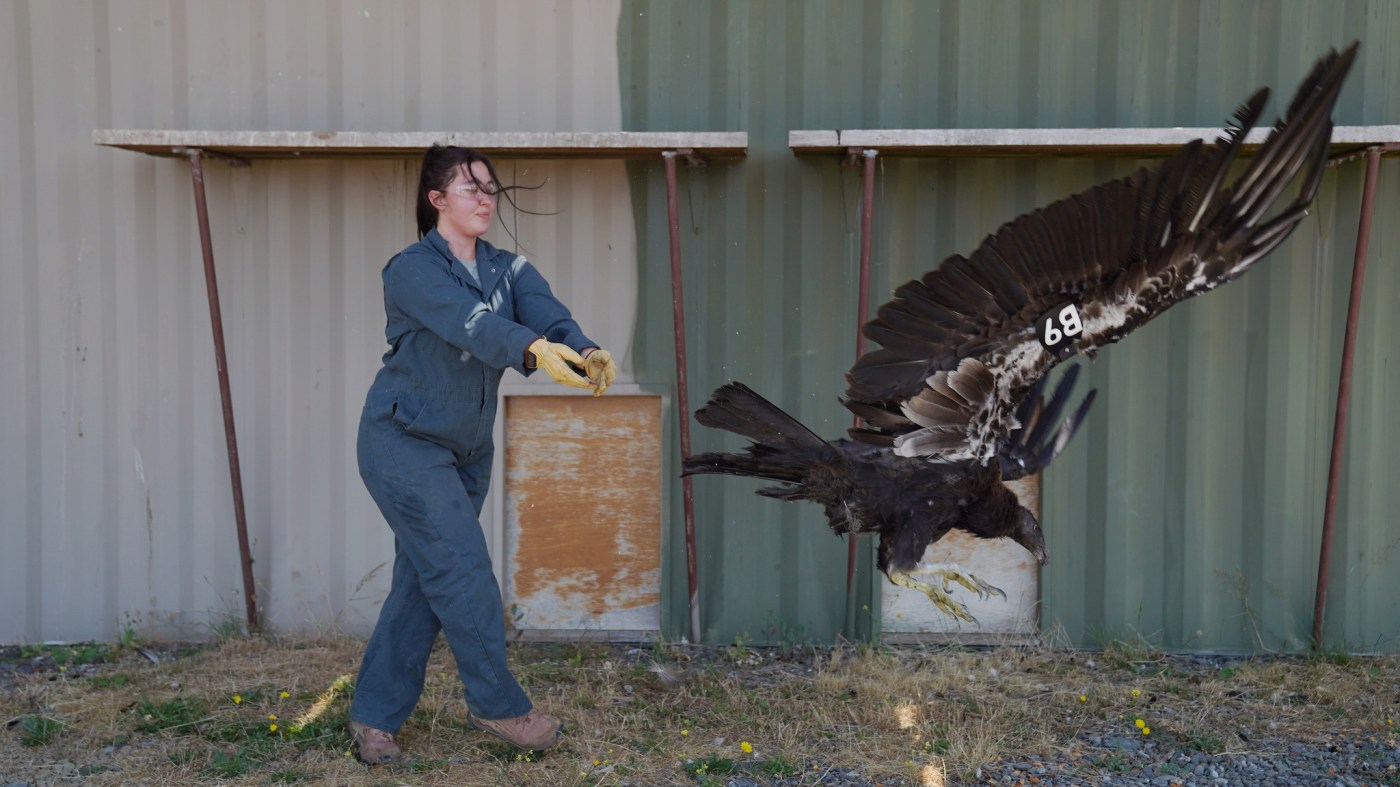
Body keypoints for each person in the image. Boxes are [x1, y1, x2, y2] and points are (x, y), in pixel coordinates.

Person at [347, 145, 618, 764]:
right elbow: (469, 322)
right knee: (463, 571)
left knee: (424, 580)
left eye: (491, 189)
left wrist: (581, 348)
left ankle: (373, 719)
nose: (484, 199)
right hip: (402, 442)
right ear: (436, 199)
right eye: (470, 188)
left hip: (466, 451)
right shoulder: (412, 269)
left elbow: (549, 316)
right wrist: (530, 351)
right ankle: (499, 707)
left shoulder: (509, 268)